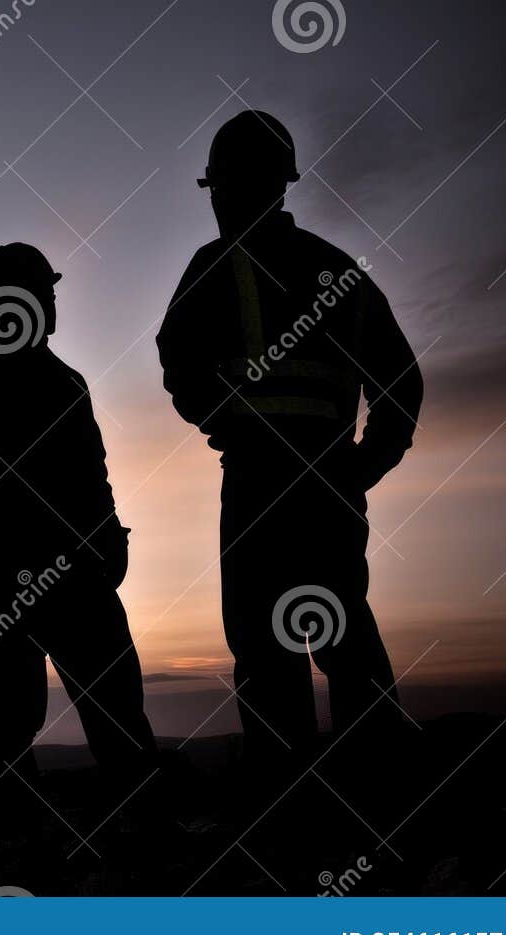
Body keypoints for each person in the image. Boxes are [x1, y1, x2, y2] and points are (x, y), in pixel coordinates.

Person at [155, 111, 423, 780]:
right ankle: (382, 792)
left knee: (265, 647)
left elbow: (177, 359)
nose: (217, 200)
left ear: (243, 185)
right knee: (345, 638)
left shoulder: (215, 267)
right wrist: (362, 465)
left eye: (220, 186)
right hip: (329, 486)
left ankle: (287, 798)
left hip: (261, 484)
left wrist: (221, 421)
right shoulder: (339, 272)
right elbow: (401, 382)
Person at [0, 242, 157, 799]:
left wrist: (105, 539)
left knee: (25, 717)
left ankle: (25, 825)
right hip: (56, 576)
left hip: (40, 575)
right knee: (99, 712)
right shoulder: (49, 383)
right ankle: (131, 822)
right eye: (47, 293)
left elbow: (87, 477)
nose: (54, 304)